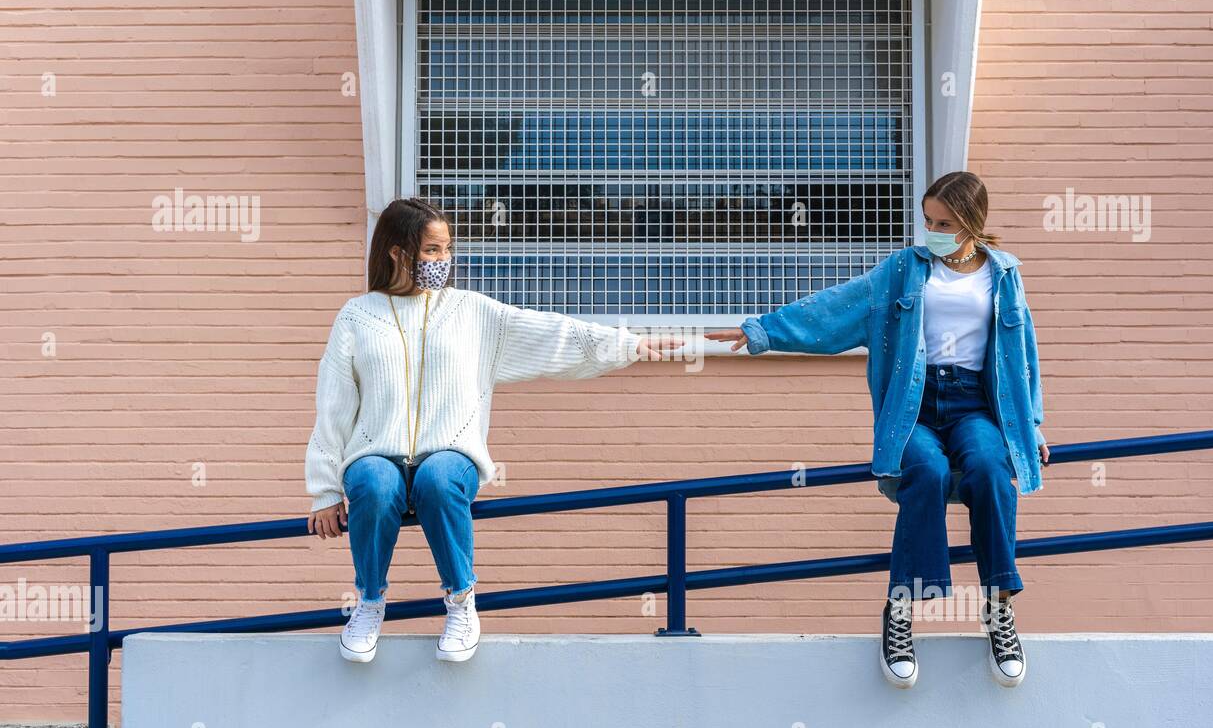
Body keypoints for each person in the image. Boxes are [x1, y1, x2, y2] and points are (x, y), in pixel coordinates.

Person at [706, 171, 1048, 690]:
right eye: (928, 220)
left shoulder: (1003, 275)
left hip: (975, 403)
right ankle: (902, 613)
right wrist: (761, 330)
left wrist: (1033, 427)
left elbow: (1023, 358)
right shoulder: (902, 272)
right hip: (914, 403)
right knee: (927, 471)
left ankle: (999, 611)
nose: (932, 230)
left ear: (972, 224)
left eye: (944, 223)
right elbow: (835, 308)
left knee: (991, 469)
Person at [306, 198, 682, 665]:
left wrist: (631, 344)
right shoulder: (357, 316)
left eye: (447, 250)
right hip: (377, 453)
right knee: (370, 480)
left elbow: (550, 333)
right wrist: (324, 490)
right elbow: (334, 402)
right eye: (432, 250)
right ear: (398, 253)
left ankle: (461, 602)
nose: (443, 261)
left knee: (439, 479)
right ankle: (369, 603)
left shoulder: (471, 312)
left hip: (450, 452)